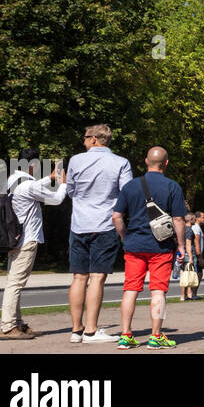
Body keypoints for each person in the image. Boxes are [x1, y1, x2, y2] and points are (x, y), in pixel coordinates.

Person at [111, 147, 187, 349]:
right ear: (166, 163)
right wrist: (181, 246)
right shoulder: (172, 187)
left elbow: (116, 217)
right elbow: (179, 220)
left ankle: (125, 335)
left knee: (130, 289)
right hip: (161, 248)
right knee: (158, 292)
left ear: (146, 161)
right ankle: (156, 336)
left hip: (134, 247)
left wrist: (125, 237)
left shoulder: (130, 186)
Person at [65, 123, 134, 344]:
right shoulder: (121, 162)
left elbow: (70, 191)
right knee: (97, 277)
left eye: (86, 137)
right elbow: (127, 194)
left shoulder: (75, 161)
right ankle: (91, 330)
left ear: (94, 138)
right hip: (105, 223)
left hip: (79, 224)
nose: (83, 141)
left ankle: (76, 330)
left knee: (79, 277)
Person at [0, 152, 67, 340]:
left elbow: (31, 187)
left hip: (13, 238)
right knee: (15, 284)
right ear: (33, 165)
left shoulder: (12, 180)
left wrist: (50, 178)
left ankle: (17, 323)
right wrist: (63, 183)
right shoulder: (29, 185)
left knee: (13, 281)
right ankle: (8, 327)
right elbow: (56, 199)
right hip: (27, 240)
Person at [181, 211, 204, 301]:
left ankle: (186, 295)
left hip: (185, 253)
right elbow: (189, 244)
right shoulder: (190, 230)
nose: (195, 220)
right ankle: (187, 295)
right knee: (189, 274)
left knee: (186, 274)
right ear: (191, 220)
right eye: (194, 219)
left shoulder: (183, 229)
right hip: (189, 254)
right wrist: (192, 257)